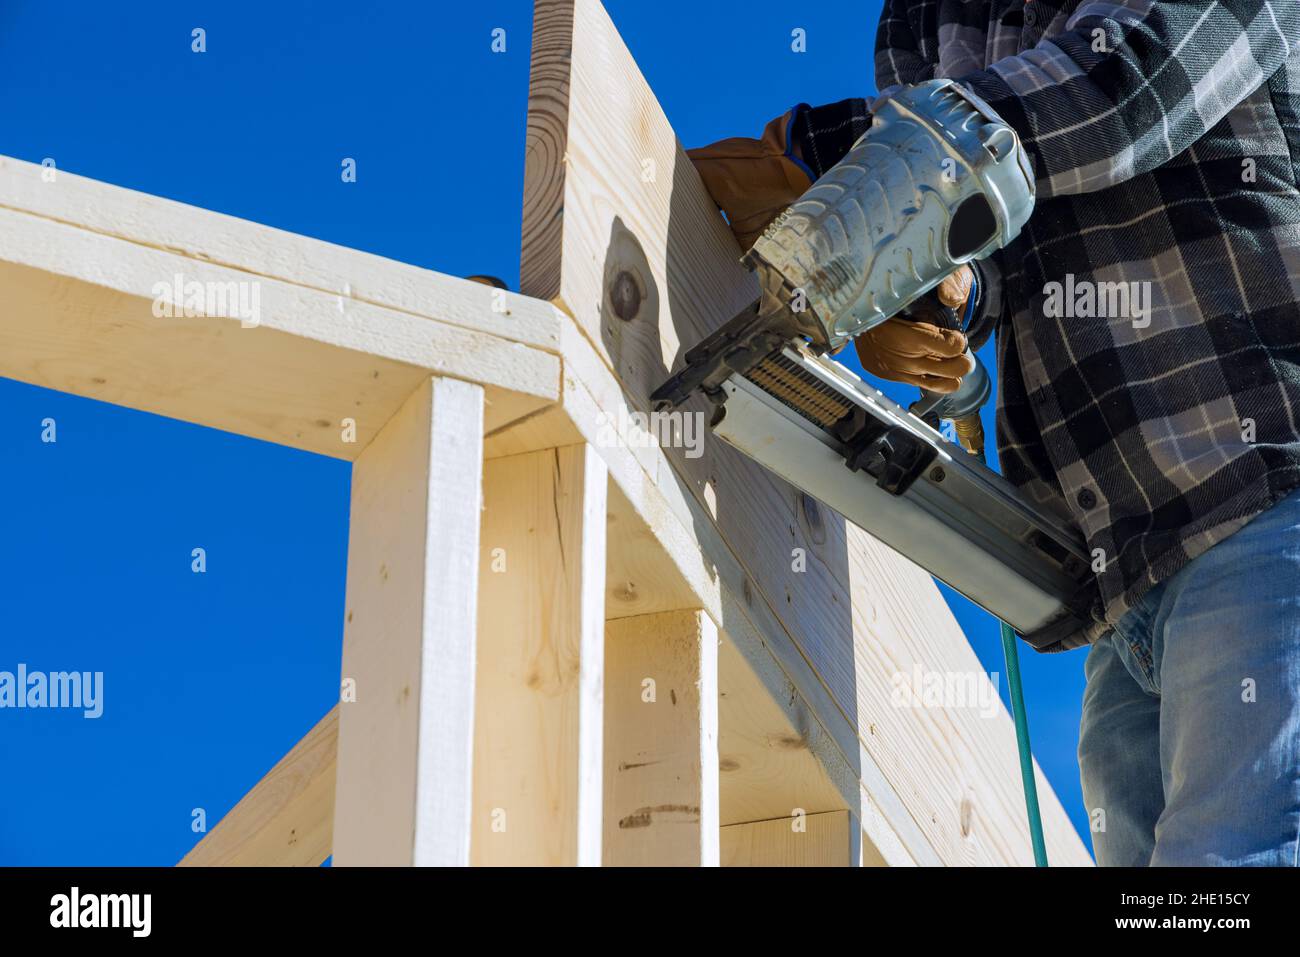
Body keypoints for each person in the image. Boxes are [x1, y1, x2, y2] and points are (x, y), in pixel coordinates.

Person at [688, 0, 1300, 866]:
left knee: (1227, 865)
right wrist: (934, 291)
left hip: (1267, 488)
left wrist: (822, 160)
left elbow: (1119, 92)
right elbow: (996, 226)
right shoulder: (933, 18)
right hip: (1126, 567)